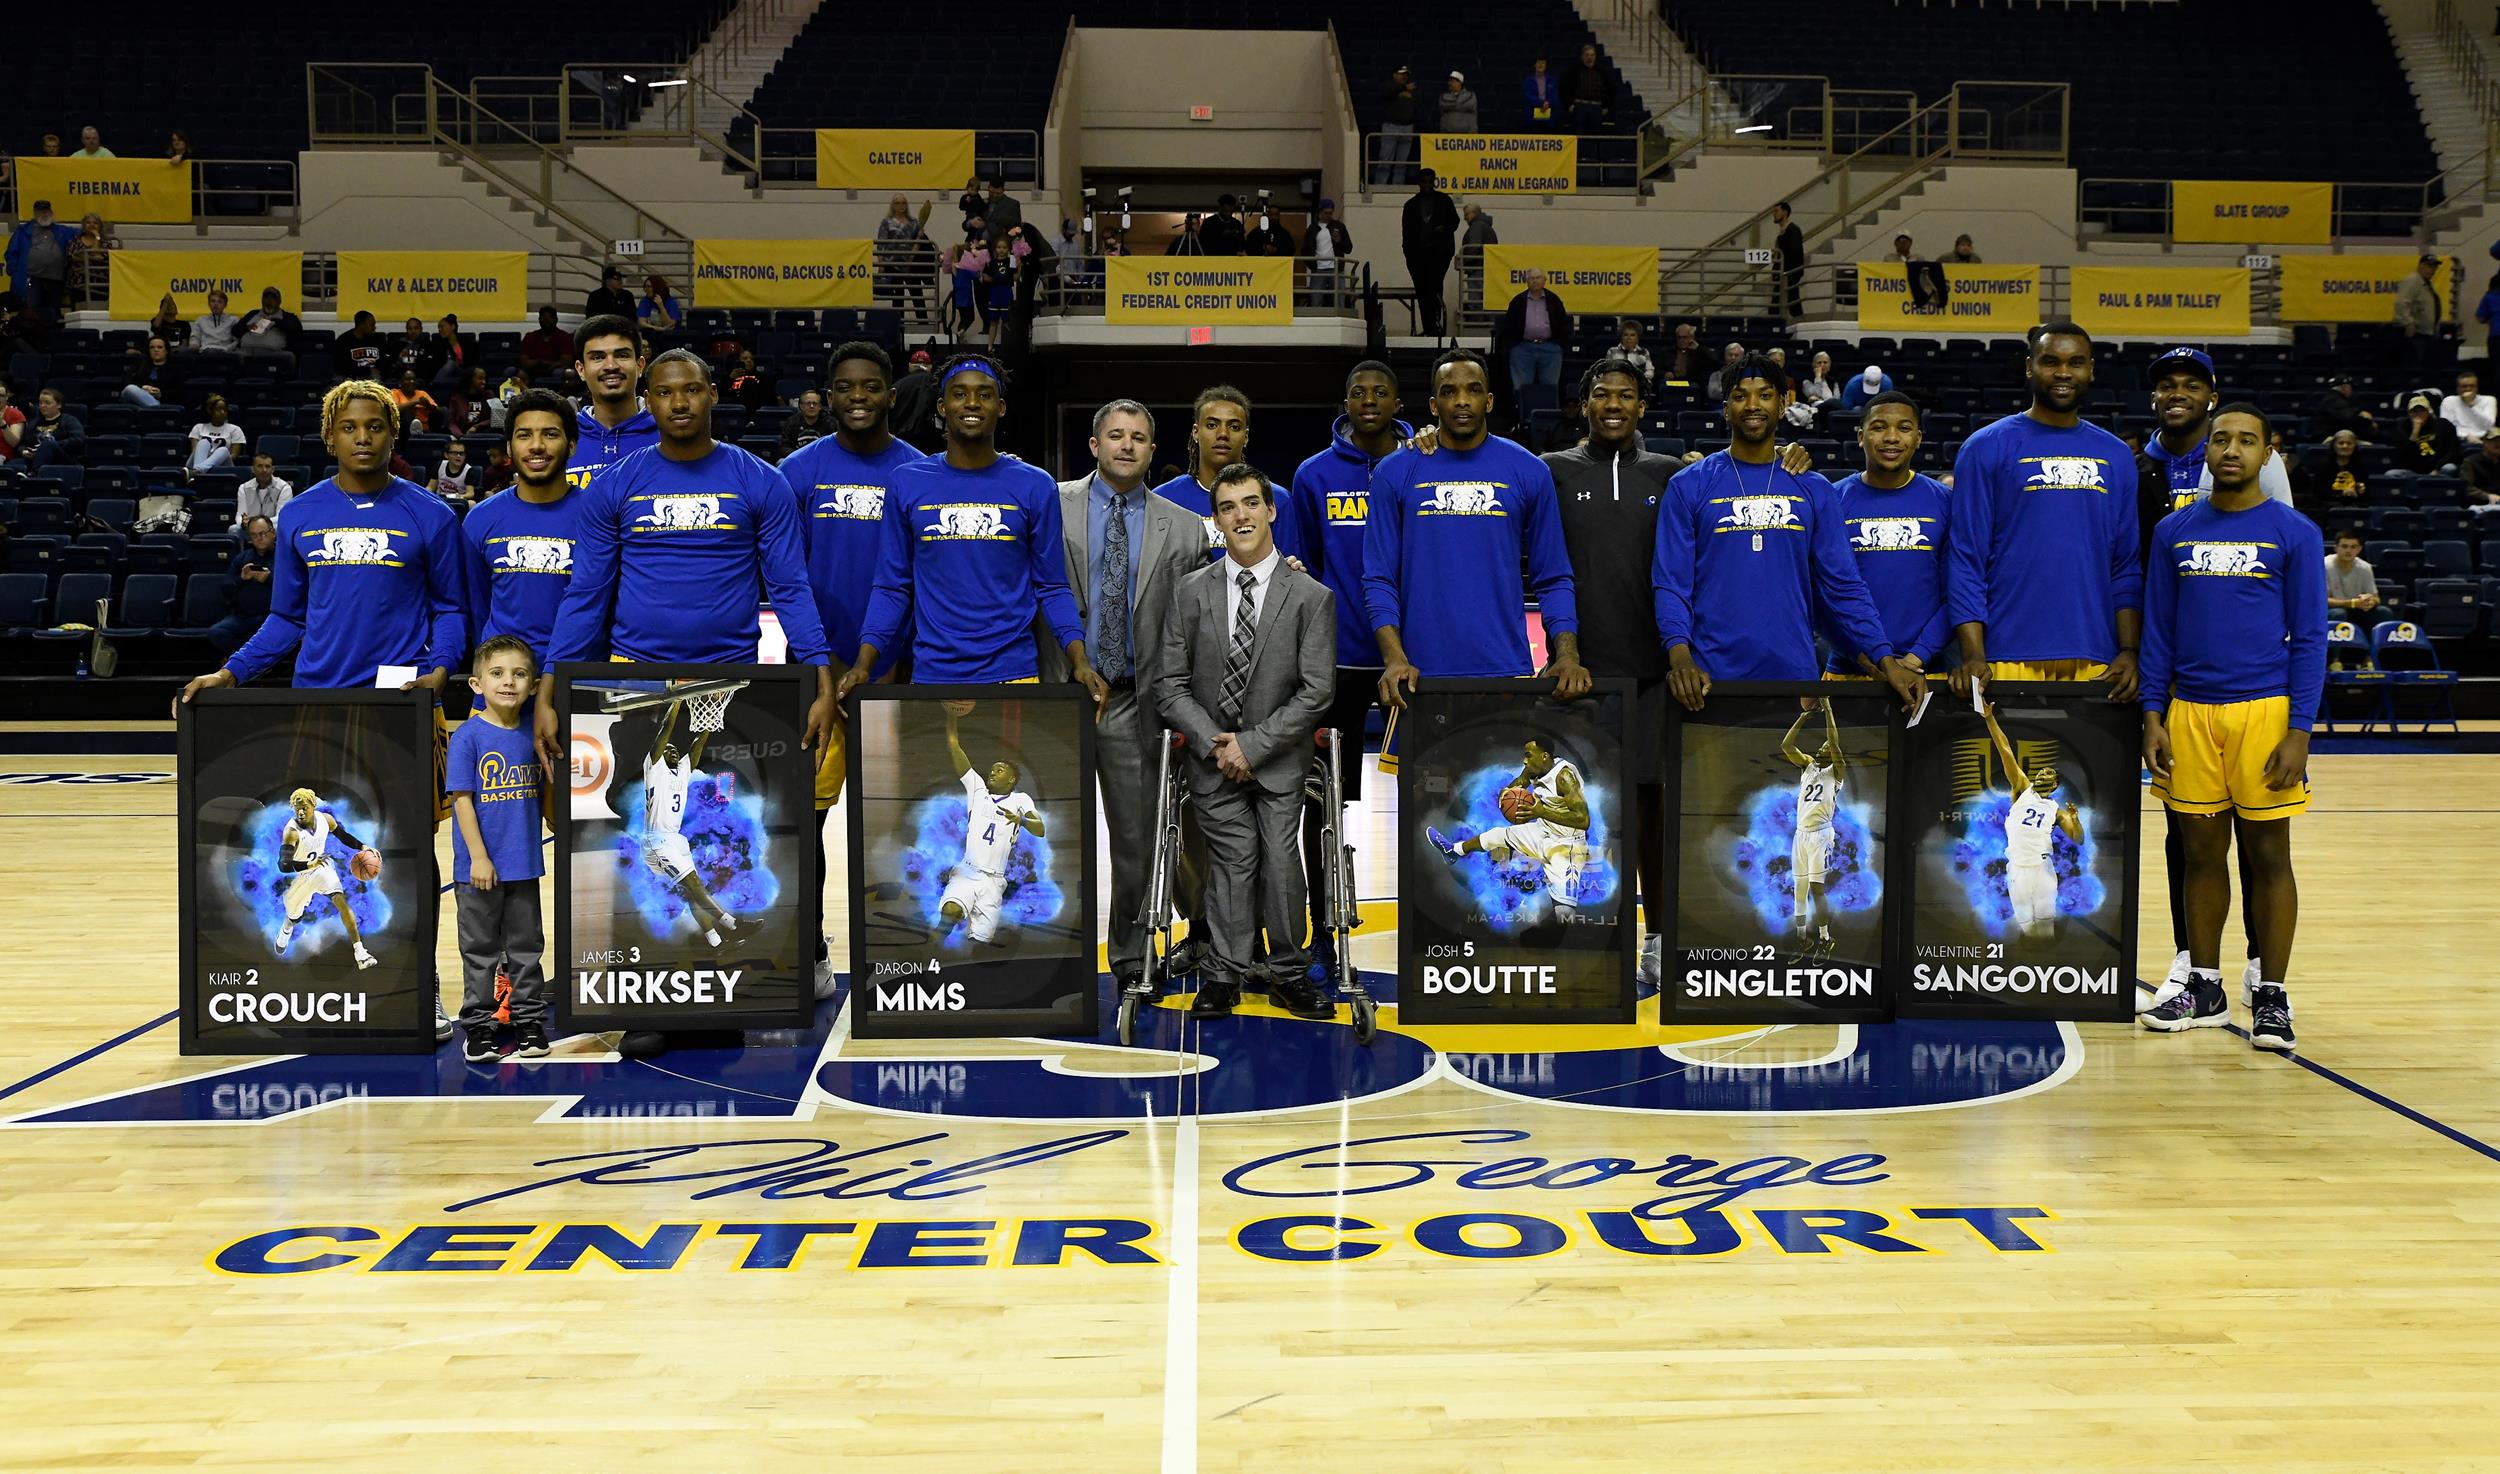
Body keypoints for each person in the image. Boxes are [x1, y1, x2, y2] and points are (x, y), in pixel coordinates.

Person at [176, 381, 467, 1042]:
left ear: (394, 435)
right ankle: (332, 979)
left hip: (401, 709)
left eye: (376, 427)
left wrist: (440, 672)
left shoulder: (430, 516)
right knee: (319, 846)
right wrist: (232, 672)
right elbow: (287, 617)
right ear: (329, 436)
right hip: (320, 703)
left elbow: (451, 610)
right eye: (351, 427)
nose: (363, 437)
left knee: (409, 851)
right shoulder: (302, 516)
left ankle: (423, 985)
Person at [541, 347, 834, 762]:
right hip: (634, 671)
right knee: (629, 809)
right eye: (664, 393)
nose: (678, 403)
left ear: (713, 394)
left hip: (729, 672)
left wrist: (820, 677)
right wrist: (549, 684)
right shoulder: (613, 485)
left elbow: (790, 588)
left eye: (691, 390)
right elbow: (586, 593)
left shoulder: (762, 481)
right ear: (648, 400)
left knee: (719, 812)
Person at [2139, 404, 2325, 1053]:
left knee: (2270, 856)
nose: (2232, 450)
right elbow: (2158, 631)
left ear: (2267, 454)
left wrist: (2300, 729)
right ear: (2207, 450)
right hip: (2189, 712)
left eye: (2247, 440)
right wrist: (2153, 715)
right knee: (2199, 855)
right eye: (2222, 439)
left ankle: (2271, 994)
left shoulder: (2294, 532)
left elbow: (2309, 639)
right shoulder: (2173, 532)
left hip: (2266, 712)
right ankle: (2206, 984)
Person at [1029, 399, 1207, 997]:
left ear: (1153, 450)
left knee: (1136, 840)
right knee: (1044, 834)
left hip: (1136, 701)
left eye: (1138, 437)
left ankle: (1130, 954)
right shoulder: (1048, 504)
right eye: (1115, 435)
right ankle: (1048, 949)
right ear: (1093, 445)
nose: (1126, 445)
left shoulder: (1183, 526)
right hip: (1059, 694)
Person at [1151, 463, 1337, 1021]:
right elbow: (1170, 684)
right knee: (1231, 860)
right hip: (1212, 761)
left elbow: (1317, 691)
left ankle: (1287, 971)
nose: (1242, 515)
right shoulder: (1190, 592)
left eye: (1251, 503)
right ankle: (1223, 974)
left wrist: (1251, 746)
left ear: (1271, 509)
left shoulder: (1310, 595)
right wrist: (1215, 744)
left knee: (1280, 859)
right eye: (1228, 507)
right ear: (1216, 519)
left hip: (1277, 761)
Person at [780, 343, 928, 991]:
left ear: (891, 395)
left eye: (872, 386)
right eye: (845, 387)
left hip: (894, 675)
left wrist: (886, 663)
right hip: (815, 678)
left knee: (892, 825)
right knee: (802, 821)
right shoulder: (796, 472)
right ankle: (809, 949)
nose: (859, 396)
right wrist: (824, 669)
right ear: (828, 397)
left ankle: (892, 952)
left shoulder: (921, 474)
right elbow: (787, 581)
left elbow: (922, 584)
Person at [1654, 355, 1922, 712]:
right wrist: (1680, 657)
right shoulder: (1689, 485)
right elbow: (1671, 583)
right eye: (1740, 396)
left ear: (1783, 405)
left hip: (1794, 676)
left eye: (1764, 395)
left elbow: (1843, 585)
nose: (1752, 405)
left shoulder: (1814, 488)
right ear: (1725, 409)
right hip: (1708, 681)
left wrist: (1884, 658)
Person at [843, 355, 1105, 701]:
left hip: (1015, 676)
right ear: (942, 406)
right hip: (933, 677)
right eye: (959, 394)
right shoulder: (907, 482)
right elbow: (892, 587)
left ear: (1000, 407)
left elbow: (1052, 587)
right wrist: (865, 662)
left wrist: (1080, 660)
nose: (971, 403)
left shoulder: (1034, 485)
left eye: (984, 395)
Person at [1366, 347, 1589, 729]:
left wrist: (1566, 653)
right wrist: (1394, 658)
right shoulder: (1395, 471)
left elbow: (1553, 576)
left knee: (1500, 791)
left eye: (1472, 390)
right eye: (1450, 392)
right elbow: (1379, 578)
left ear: (1489, 401)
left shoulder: (1528, 470)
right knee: (1425, 790)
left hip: (1505, 672)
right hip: (1419, 676)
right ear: (1434, 405)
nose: (1462, 401)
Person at [1545, 355, 1679, 982]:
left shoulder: (1671, 474)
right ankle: (1592, 931)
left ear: (1642, 407)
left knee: (1651, 810)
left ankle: (1656, 934)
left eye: (1626, 395)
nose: (1614, 405)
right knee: (1587, 810)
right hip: (1580, 672)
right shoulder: (1551, 471)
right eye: (1602, 395)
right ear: (1584, 404)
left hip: (1654, 669)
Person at [1285, 361, 1411, 979]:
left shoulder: (1423, 463)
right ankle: (1323, 930)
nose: (1368, 400)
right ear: (1344, 401)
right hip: (1334, 663)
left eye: (1379, 391)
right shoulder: (1314, 475)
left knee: (1429, 794)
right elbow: (1302, 566)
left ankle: (1438, 925)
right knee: (1325, 803)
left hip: (1407, 661)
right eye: (1357, 391)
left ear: (1397, 401)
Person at [1945, 322, 2142, 703]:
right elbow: (1966, 558)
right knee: (2011, 765)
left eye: (2076, 362)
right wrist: (1972, 654)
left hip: (2098, 658)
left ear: (2091, 369)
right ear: (2029, 367)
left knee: (2084, 766)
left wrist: (2130, 650)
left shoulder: (2116, 455)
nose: (2064, 373)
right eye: (2051, 361)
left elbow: (2126, 564)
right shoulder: (1985, 447)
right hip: (2006, 653)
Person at [445, 635, 551, 1063]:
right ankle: (480, 1026)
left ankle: (529, 1020)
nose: (508, 682)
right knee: (480, 951)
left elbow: (548, 792)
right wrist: (479, 856)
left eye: (519, 674)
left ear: (534, 684)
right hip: (478, 870)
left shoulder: (535, 733)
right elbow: (462, 800)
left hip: (524, 863)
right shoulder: (467, 737)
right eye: (497, 674)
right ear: (476, 684)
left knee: (527, 949)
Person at [1828, 392, 1952, 677]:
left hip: (1926, 670)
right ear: (1861, 436)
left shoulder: (1946, 502)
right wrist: (1868, 657)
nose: (1891, 437)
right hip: (1851, 669)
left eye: (1904, 428)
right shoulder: (1833, 500)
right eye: (1879, 427)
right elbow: (1824, 594)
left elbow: (1955, 592)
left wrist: (1916, 656)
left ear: (1918, 438)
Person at [462, 389, 582, 678]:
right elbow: (477, 608)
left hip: (575, 682)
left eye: (550, 434)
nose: (537, 446)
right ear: (509, 447)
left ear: (572, 446)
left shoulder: (596, 516)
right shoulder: (480, 519)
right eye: (524, 435)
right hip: (501, 686)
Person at [1426, 735, 1595, 923]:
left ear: (1545, 756)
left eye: (1529, 755)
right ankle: (1453, 851)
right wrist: (1507, 793)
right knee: (1497, 835)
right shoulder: (1533, 769)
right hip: (1542, 831)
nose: (1525, 760)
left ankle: (1567, 945)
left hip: (1567, 846)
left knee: (1564, 912)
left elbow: (1583, 820)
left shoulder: (1564, 777)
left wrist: (1542, 812)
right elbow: (1518, 784)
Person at [930, 700, 1044, 948]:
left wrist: (1021, 820)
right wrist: (951, 716)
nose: (993, 772)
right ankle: (924, 963)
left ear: (1012, 778)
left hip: (994, 882)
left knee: (979, 945)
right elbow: (954, 746)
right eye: (992, 769)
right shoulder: (977, 790)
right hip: (967, 872)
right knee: (949, 914)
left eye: (1000, 770)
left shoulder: (1020, 799)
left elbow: (1040, 829)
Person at [1982, 700, 2080, 941]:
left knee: (2046, 926)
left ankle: (2046, 964)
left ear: (2055, 785)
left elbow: (2077, 838)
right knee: (2025, 923)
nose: (2042, 773)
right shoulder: (2021, 788)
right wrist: (1988, 718)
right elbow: (2005, 749)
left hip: (2042, 868)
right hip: (2017, 867)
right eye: (2040, 772)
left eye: (2048, 773)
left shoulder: (2057, 810)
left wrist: (2076, 821)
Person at [271, 787, 379, 972]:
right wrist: (308, 865)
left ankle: (360, 953)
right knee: (294, 915)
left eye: (304, 807)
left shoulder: (325, 820)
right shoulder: (291, 832)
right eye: (297, 809)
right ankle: (287, 928)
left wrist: (363, 846)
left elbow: (343, 836)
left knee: (341, 902)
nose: (301, 812)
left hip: (322, 868)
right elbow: (284, 865)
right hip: (303, 874)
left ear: (313, 805)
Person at [1777, 703, 1854, 955]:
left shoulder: (1836, 771)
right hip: (1801, 834)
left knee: (1817, 888)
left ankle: (1824, 938)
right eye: (1820, 746)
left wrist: (1829, 708)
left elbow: (1834, 743)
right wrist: (1802, 716)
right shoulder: (1808, 766)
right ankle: (1801, 938)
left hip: (1821, 833)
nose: (1822, 747)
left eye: (1826, 747)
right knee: (1799, 888)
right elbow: (1786, 746)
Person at [1155, 385, 1257, 546]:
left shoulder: (1276, 499)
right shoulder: (1163, 499)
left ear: (1246, 437)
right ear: (1195, 432)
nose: (1223, 434)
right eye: (1211, 425)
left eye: (1234, 427)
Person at [566, 315, 658, 490]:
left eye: (622, 355)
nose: (610, 366)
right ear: (581, 370)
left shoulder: (669, 433)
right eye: (597, 357)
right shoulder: (563, 438)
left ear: (640, 365)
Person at [1495, 269, 1570, 417]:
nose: (1535, 281)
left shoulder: (1554, 300)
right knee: (1521, 388)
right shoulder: (1518, 301)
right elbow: (1508, 326)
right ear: (1526, 281)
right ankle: (1521, 418)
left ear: (1544, 280)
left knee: (1550, 387)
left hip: (1550, 349)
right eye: (1531, 278)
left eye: (1538, 278)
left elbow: (1563, 324)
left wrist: (1559, 345)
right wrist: (1512, 346)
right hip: (1523, 349)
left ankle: (1549, 420)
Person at [1401, 169, 1460, 337]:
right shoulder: (1410, 205)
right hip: (1417, 257)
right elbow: (1406, 233)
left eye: (1429, 181)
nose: (1427, 185)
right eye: (1424, 181)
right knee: (1422, 291)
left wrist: (1444, 228)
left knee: (1434, 287)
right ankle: (1429, 327)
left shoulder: (1444, 201)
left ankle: (1435, 325)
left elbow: (1454, 222)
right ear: (1419, 183)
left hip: (1439, 254)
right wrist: (1408, 253)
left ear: (1434, 182)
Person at [210, 515, 277, 654]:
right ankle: (252, 658)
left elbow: (294, 589)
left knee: (271, 635)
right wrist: (241, 579)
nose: (259, 538)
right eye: (254, 535)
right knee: (217, 632)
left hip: (272, 617)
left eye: (262, 533)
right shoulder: (242, 558)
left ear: (273, 532)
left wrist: (269, 579)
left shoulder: (285, 557)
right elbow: (226, 589)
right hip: (242, 617)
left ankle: (248, 659)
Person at [5, 202, 79, 326]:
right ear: (35, 213)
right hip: (32, 277)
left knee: (54, 311)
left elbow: (83, 231)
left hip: (56, 278)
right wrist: (15, 272)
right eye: (40, 211)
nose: (44, 214)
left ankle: (53, 339)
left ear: (51, 212)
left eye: (46, 211)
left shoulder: (62, 230)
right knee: (31, 309)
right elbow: (11, 252)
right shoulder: (23, 231)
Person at [2324, 529, 2382, 629]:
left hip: (2357, 609)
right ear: (2336, 548)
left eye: (2353, 547)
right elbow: (2322, 600)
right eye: (2344, 546)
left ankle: (2375, 644)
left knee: (2383, 612)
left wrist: (2371, 601)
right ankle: (2335, 644)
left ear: (2359, 549)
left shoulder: (2365, 567)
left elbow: (2376, 598)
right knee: (2339, 613)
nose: (2348, 550)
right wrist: (2352, 603)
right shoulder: (2324, 566)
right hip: (2332, 609)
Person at [2394, 254, 2444, 370]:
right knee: (2414, 366)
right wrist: (2408, 323)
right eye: (2429, 266)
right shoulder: (2412, 281)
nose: (2433, 270)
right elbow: (2401, 303)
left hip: (2426, 334)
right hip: (2416, 335)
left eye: (2434, 267)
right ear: (2421, 266)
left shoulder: (2425, 283)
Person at [2298, 429, 2370, 507]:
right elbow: (2319, 492)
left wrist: (2360, 491)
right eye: (2341, 443)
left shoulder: (2361, 467)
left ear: (2354, 446)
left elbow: (2365, 493)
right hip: (2328, 506)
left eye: (2349, 443)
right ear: (2334, 446)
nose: (2345, 446)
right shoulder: (2323, 466)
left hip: (2355, 505)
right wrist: (2342, 493)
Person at [235, 286, 300, 366]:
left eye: (273, 298)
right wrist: (247, 328)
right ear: (262, 300)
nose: (269, 301)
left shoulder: (287, 316)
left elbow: (296, 329)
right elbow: (235, 331)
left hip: (273, 355)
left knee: (288, 356)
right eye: (266, 297)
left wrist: (275, 322)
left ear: (279, 301)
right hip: (246, 353)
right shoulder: (253, 314)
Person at [23, 387, 83, 472]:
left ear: (59, 405)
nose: (43, 406)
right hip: (35, 457)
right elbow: (23, 443)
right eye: (40, 403)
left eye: (47, 403)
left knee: (47, 445)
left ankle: (35, 475)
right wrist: (23, 451)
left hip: (63, 459)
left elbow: (78, 440)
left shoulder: (69, 421)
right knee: (14, 464)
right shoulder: (34, 423)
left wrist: (52, 445)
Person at [1304, 199, 1352, 304]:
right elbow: (1305, 249)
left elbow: (1349, 248)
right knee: (1316, 300)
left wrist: (1339, 241)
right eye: (1326, 213)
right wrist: (1312, 265)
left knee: (1340, 300)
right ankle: (1317, 319)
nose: (1328, 215)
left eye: (1330, 213)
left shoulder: (1339, 226)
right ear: (1320, 212)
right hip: (1318, 269)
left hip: (1336, 268)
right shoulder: (1312, 228)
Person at [185, 394, 246, 476]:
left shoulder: (235, 429)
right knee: (203, 442)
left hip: (222, 466)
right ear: (209, 410)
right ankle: (198, 472)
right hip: (197, 462)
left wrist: (215, 460)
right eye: (218, 409)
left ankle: (197, 473)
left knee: (223, 450)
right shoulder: (198, 427)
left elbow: (234, 455)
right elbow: (195, 452)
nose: (222, 412)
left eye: (225, 409)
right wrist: (208, 463)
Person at [2399, 392, 2461, 472]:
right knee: (2392, 473)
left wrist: (2437, 468)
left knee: (2449, 468)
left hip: (2439, 468)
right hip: (2413, 469)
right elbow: (2402, 458)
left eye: (2422, 410)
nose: (2418, 414)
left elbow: (2453, 451)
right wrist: (2415, 433)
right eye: (2414, 411)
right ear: (2409, 413)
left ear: (2428, 412)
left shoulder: (2442, 425)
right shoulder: (2402, 427)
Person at [2305, 373, 2375, 442]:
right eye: (2351, 387)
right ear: (2345, 387)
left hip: (2332, 436)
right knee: (2368, 446)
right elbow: (2349, 418)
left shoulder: (2333, 398)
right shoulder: (2334, 400)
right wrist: (2368, 421)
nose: (2351, 390)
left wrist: (2359, 413)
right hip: (2328, 438)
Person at [1379, 65, 1419, 184]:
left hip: (1407, 127)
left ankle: (1398, 185)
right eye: (1402, 73)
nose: (1404, 76)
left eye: (1406, 74)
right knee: (1385, 160)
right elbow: (1387, 92)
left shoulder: (1412, 89)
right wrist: (1404, 88)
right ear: (1394, 74)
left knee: (1402, 162)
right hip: (1391, 126)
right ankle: (1380, 185)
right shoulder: (1388, 85)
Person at [121, 335, 184, 409]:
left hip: (162, 400)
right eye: (152, 347)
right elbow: (125, 380)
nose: (156, 350)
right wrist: (142, 387)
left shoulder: (176, 368)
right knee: (130, 388)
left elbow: (179, 392)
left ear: (166, 351)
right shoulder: (141, 363)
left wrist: (161, 394)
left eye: (160, 347)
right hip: (135, 398)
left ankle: (153, 409)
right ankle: (156, 410)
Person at [234, 454, 293, 532]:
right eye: (260, 466)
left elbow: (281, 517)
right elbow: (239, 516)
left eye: (267, 466)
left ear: (272, 469)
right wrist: (243, 522)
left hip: (272, 527)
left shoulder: (284, 488)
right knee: (234, 529)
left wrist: (256, 523)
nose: (264, 470)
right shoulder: (244, 488)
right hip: (250, 528)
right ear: (253, 469)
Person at [1564, 43, 1613, 134]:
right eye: (1587, 55)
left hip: (1596, 107)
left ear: (1595, 56)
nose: (1589, 57)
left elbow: (1610, 89)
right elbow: (1566, 87)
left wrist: (1606, 106)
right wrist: (1569, 104)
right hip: (1579, 107)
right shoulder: (1574, 70)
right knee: (1579, 135)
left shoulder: (1601, 71)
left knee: (1596, 136)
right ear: (1582, 56)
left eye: (1592, 55)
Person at [519, 307, 573, 379]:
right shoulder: (530, 336)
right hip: (532, 371)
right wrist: (538, 363)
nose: (546, 320)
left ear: (556, 320)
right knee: (511, 371)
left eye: (550, 317)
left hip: (554, 370)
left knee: (561, 373)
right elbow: (524, 362)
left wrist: (542, 363)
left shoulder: (564, 337)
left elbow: (566, 361)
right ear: (539, 320)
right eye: (543, 317)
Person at [1772, 201, 1805, 321]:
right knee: (1788, 302)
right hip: (1784, 273)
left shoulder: (1793, 230)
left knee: (1789, 302)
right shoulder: (1782, 233)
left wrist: (1791, 273)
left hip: (1789, 273)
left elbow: (1796, 253)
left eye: (1776, 211)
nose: (1774, 214)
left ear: (1785, 212)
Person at [779, 389, 834, 456]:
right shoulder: (792, 422)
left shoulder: (830, 423)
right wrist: (801, 456)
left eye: (815, 403)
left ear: (820, 406)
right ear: (801, 406)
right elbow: (784, 447)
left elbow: (833, 448)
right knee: (780, 461)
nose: (811, 406)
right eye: (808, 403)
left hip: (822, 459)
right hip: (798, 460)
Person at [188, 290, 239, 355]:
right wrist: (194, 345)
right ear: (209, 304)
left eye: (220, 302)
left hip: (225, 353)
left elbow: (236, 341)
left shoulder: (233, 320)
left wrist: (227, 349)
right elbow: (195, 338)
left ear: (225, 305)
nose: (216, 304)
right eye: (213, 301)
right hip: (205, 352)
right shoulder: (201, 320)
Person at [338, 311, 386, 377]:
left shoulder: (379, 339)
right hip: (352, 377)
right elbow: (341, 367)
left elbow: (384, 362)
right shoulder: (344, 340)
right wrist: (365, 370)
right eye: (372, 325)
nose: (374, 328)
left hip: (374, 377)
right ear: (361, 325)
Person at [391, 371, 439, 435]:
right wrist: (416, 402)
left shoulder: (422, 394)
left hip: (424, 430)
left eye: (413, 379)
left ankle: (418, 431)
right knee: (406, 412)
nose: (412, 382)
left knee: (449, 438)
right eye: (408, 379)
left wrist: (428, 405)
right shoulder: (395, 392)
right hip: (403, 432)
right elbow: (394, 409)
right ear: (401, 382)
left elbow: (436, 409)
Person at [1612, 321, 1655, 392]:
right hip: (1618, 384)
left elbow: (1650, 371)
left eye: (1632, 335)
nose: (1628, 338)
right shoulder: (1612, 351)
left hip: (1639, 384)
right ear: (1621, 337)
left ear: (1638, 338)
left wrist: (1639, 379)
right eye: (1625, 335)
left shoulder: (1644, 352)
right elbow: (1609, 371)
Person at [2463, 428, 2500, 504]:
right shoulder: (2471, 462)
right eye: (2493, 440)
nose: (2498, 443)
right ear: (2484, 442)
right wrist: (2487, 496)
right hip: (2479, 504)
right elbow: (2466, 487)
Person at [1523, 56, 1558, 129]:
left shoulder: (1552, 80)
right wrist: (1541, 103)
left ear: (1546, 66)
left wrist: (1548, 103)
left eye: (1543, 63)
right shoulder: (1528, 80)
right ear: (1535, 65)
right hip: (1532, 111)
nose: (1540, 65)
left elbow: (1554, 96)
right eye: (1538, 63)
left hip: (1548, 110)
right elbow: (1528, 96)